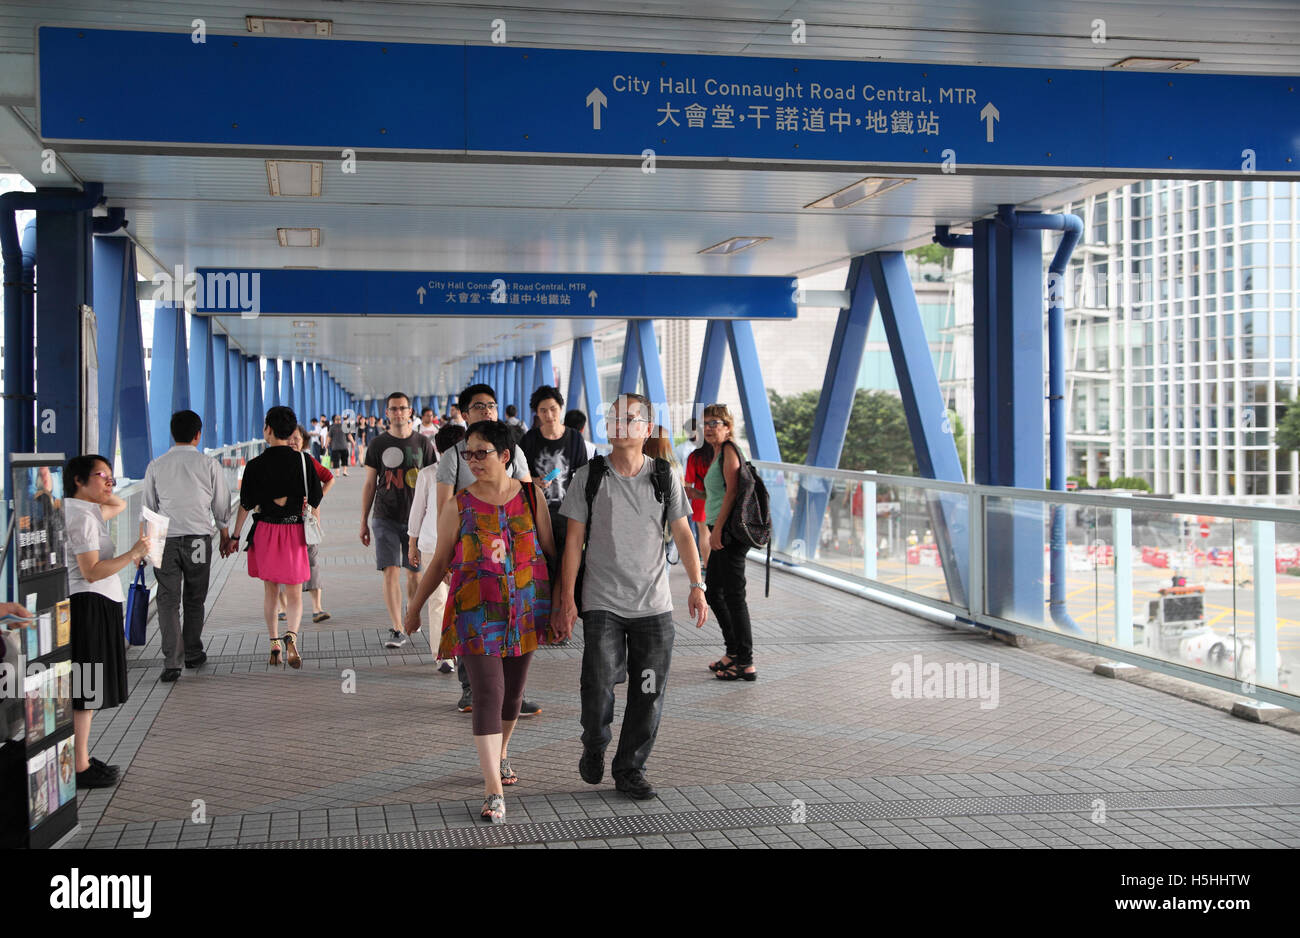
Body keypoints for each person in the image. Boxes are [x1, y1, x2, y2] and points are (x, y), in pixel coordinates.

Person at [555, 393, 708, 801]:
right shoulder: (589, 477)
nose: (620, 423)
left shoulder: (663, 476)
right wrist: (566, 600)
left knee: (648, 690)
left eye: (630, 418)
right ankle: (595, 740)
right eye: (614, 417)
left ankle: (630, 768)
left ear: (647, 429)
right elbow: (573, 544)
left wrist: (697, 585)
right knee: (599, 683)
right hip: (602, 601)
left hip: (653, 606)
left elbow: (682, 534)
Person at [404, 420, 556, 823]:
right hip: (474, 611)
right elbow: (439, 561)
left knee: (513, 695)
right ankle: (492, 788)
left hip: (524, 610)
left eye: (480, 453)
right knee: (488, 692)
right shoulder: (458, 503)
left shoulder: (531, 497)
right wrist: (414, 608)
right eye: (467, 454)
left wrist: (562, 604)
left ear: (505, 456)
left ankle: (502, 752)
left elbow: (550, 552)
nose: (472, 461)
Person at [436, 383, 540, 716]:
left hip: (510, 553)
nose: (487, 411)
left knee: (511, 620)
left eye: (491, 405)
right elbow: (444, 506)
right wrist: (451, 551)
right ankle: (472, 688)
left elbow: (528, 499)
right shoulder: (454, 455)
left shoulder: (513, 451)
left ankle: (513, 694)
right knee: (474, 622)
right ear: (464, 414)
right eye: (479, 406)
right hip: (471, 554)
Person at [63, 454, 151, 788]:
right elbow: (91, 570)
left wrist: (104, 483)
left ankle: (80, 757)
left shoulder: (83, 511)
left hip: (94, 604)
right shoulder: (82, 518)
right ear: (78, 480)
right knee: (85, 690)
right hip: (89, 605)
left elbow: (116, 503)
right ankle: (78, 765)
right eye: (102, 476)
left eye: (112, 477)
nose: (110, 484)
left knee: (86, 689)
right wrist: (132, 553)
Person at [141, 409, 233, 682]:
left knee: (167, 601)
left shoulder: (156, 465)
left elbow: (148, 509)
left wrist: (144, 548)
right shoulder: (209, 464)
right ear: (198, 435)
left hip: (164, 540)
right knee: (194, 598)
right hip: (197, 539)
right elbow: (220, 504)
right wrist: (225, 534)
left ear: (172, 434)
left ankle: (172, 662)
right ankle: (193, 652)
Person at [231, 406, 323, 669]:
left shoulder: (255, 465)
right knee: (294, 593)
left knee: (271, 591)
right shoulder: (304, 462)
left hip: (266, 531)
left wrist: (235, 536)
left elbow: (245, 504)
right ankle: (291, 637)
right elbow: (315, 498)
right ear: (291, 431)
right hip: (294, 531)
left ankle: (273, 642)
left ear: (267, 430)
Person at [361, 392, 438, 650]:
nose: (397, 413)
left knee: (414, 575)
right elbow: (370, 483)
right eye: (393, 409)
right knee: (390, 570)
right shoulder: (377, 444)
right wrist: (363, 520)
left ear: (410, 412)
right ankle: (396, 628)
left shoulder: (424, 444)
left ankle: (410, 615)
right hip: (385, 516)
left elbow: (433, 483)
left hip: (416, 520)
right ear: (387, 413)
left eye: (402, 408)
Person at [701, 403, 757, 681]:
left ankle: (745, 662)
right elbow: (718, 492)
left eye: (716, 423)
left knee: (734, 597)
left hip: (728, 534)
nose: (710, 428)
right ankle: (733, 651)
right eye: (706, 423)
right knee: (714, 592)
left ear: (728, 426)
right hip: (720, 530)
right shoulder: (718, 453)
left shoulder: (729, 450)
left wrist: (717, 530)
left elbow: (733, 492)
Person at [408, 423, 465, 674]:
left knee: (457, 600)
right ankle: (443, 653)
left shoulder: (471, 474)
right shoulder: (428, 474)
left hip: (463, 547)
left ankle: (460, 650)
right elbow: (417, 510)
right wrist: (413, 543)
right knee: (438, 599)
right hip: (433, 544)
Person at [519, 386, 588, 564]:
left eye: (553, 409)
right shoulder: (529, 440)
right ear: (537, 413)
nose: (549, 415)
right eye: (543, 411)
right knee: (542, 564)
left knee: (567, 563)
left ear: (560, 408)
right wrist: (533, 480)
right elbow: (517, 476)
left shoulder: (575, 439)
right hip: (537, 514)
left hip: (568, 514)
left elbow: (582, 477)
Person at [276, 425, 335, 623]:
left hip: (307, 522)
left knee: (312, 563)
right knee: (284, 564)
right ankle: (283, 608)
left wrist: (315, 501)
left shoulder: (307, 461)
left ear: (304, 441)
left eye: (297, 438)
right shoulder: (277, 462)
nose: (293, 441)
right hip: (283, 523)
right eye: (289, 438)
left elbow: (329, 479)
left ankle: (317, 608)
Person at [681, 422, 713, 567]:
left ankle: (707, 565)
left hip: (700, 498)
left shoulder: (694, 457)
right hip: (719, 497)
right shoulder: (718, 454)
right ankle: (720, 565)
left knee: (704, 534)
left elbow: (688, 482)